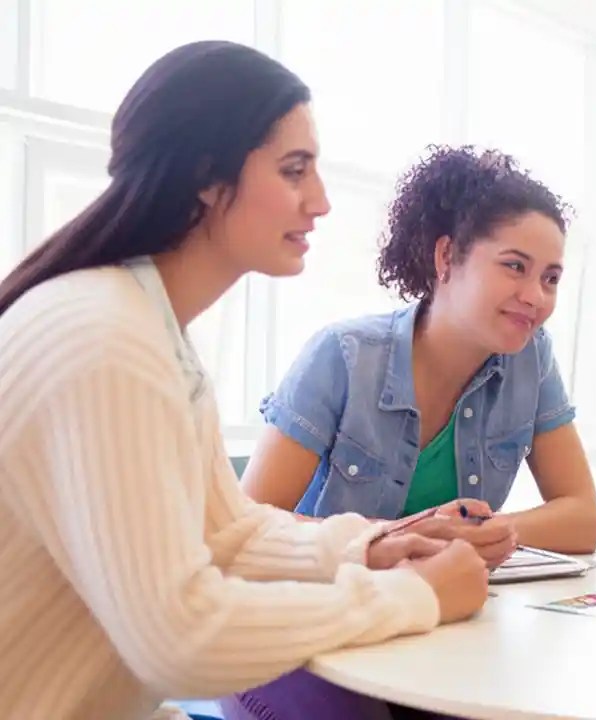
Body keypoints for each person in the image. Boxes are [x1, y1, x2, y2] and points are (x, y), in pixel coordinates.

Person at [0, 41, 489, 720]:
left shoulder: (143, 325)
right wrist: (416, 597)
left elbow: (223, 534)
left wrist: (365, 546)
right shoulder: (107, 339)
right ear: (206, 175)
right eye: (294, 171)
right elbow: (179, 635)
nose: (319, 201)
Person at [239, 145, 596, 562]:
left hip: (443, 609)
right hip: (326, 604)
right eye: (515, 266)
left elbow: (583, 519)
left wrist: (479, 536)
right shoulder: (343, 356)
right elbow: (250, 525)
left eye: (551, 277)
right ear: (446, 256)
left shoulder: (531, 360)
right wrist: (410, 535)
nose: (536, 296)